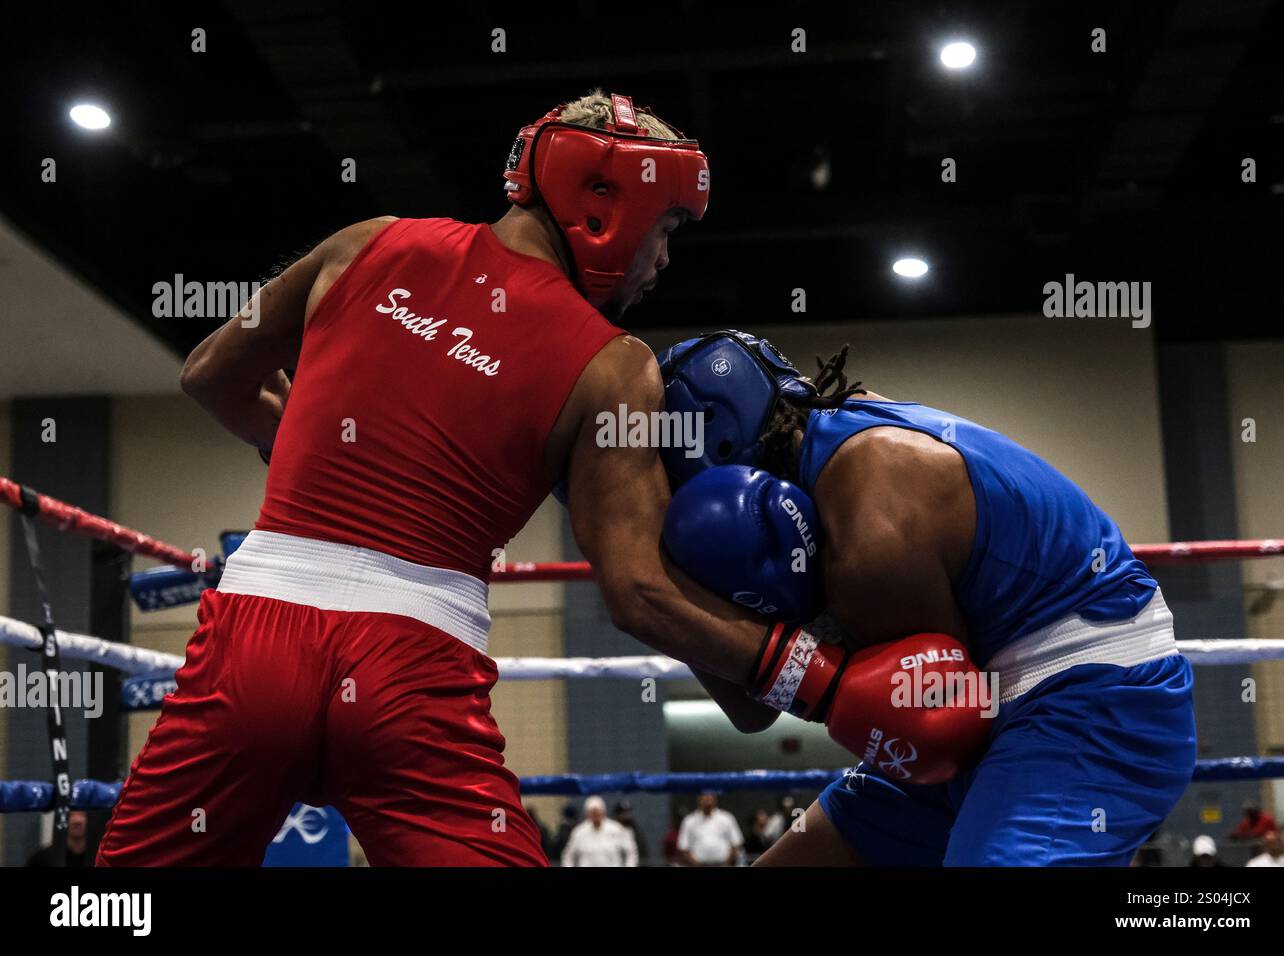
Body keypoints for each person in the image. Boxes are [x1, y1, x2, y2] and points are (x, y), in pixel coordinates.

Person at [95, 90, 785, 866]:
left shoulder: (367, 242)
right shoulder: (613, 363)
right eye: (665, 231)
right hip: (410, 671)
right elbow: (638, 591)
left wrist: (304, 442)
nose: (663, 261)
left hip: (256, 635)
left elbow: (210, 374)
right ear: (606, 202)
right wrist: (804, 671)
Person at [656, 331, 1198, 866]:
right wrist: (672, 581)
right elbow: (750, 713)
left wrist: (674, 584)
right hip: (994, 695)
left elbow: (936, 718)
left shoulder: (870, 537)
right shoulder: (844, 418)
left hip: (1092, 692)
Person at [561, 797, 638, 867]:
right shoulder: (579, 832)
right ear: (587, 814)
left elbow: (630, 852)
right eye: (592, 813)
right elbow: (568, 855)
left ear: (603, 812)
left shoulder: (617, 829)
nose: (595, 815)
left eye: (597, 812)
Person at [677, 792, 745, 866]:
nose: (707, 800)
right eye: (705, 797)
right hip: (698, 865)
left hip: (722, 864)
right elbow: (684, 847)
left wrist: (726, 862)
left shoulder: (727, 818)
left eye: (710, 797)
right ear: (699, 799)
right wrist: (696, 864)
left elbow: (736, 843)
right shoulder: (689, 820)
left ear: (715, 799)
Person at [26, 810, 90, 867]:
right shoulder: (41, 859)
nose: (77, 820)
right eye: (70, 815)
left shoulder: (99, 858)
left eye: (83, 815)